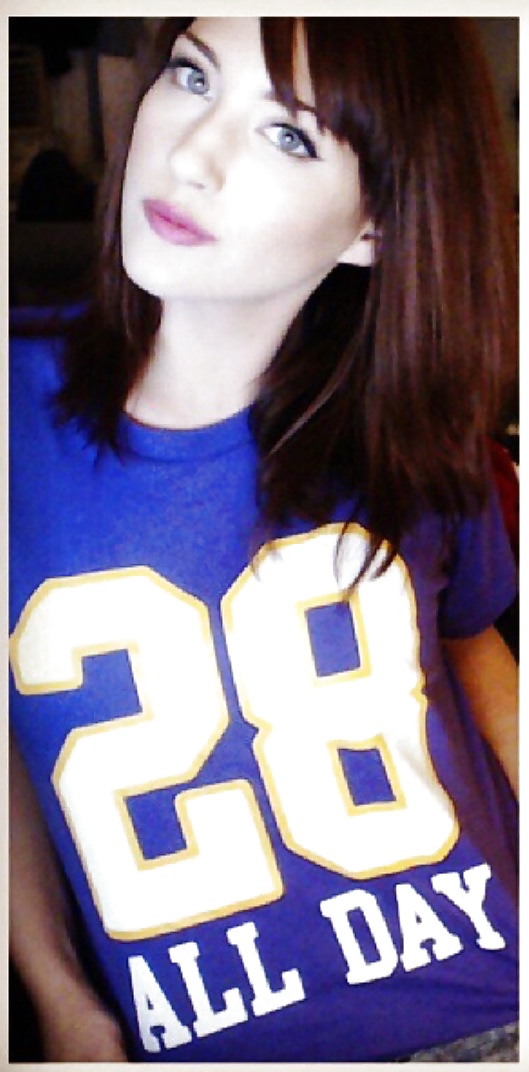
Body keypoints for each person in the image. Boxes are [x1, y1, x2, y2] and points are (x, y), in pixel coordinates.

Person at [9, 16, 519, 1063]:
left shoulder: (414, 435)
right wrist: (60, 999)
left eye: (288, 134)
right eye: (192, 76)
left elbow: (472, 657)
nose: (190, 155)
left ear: (375, 226)